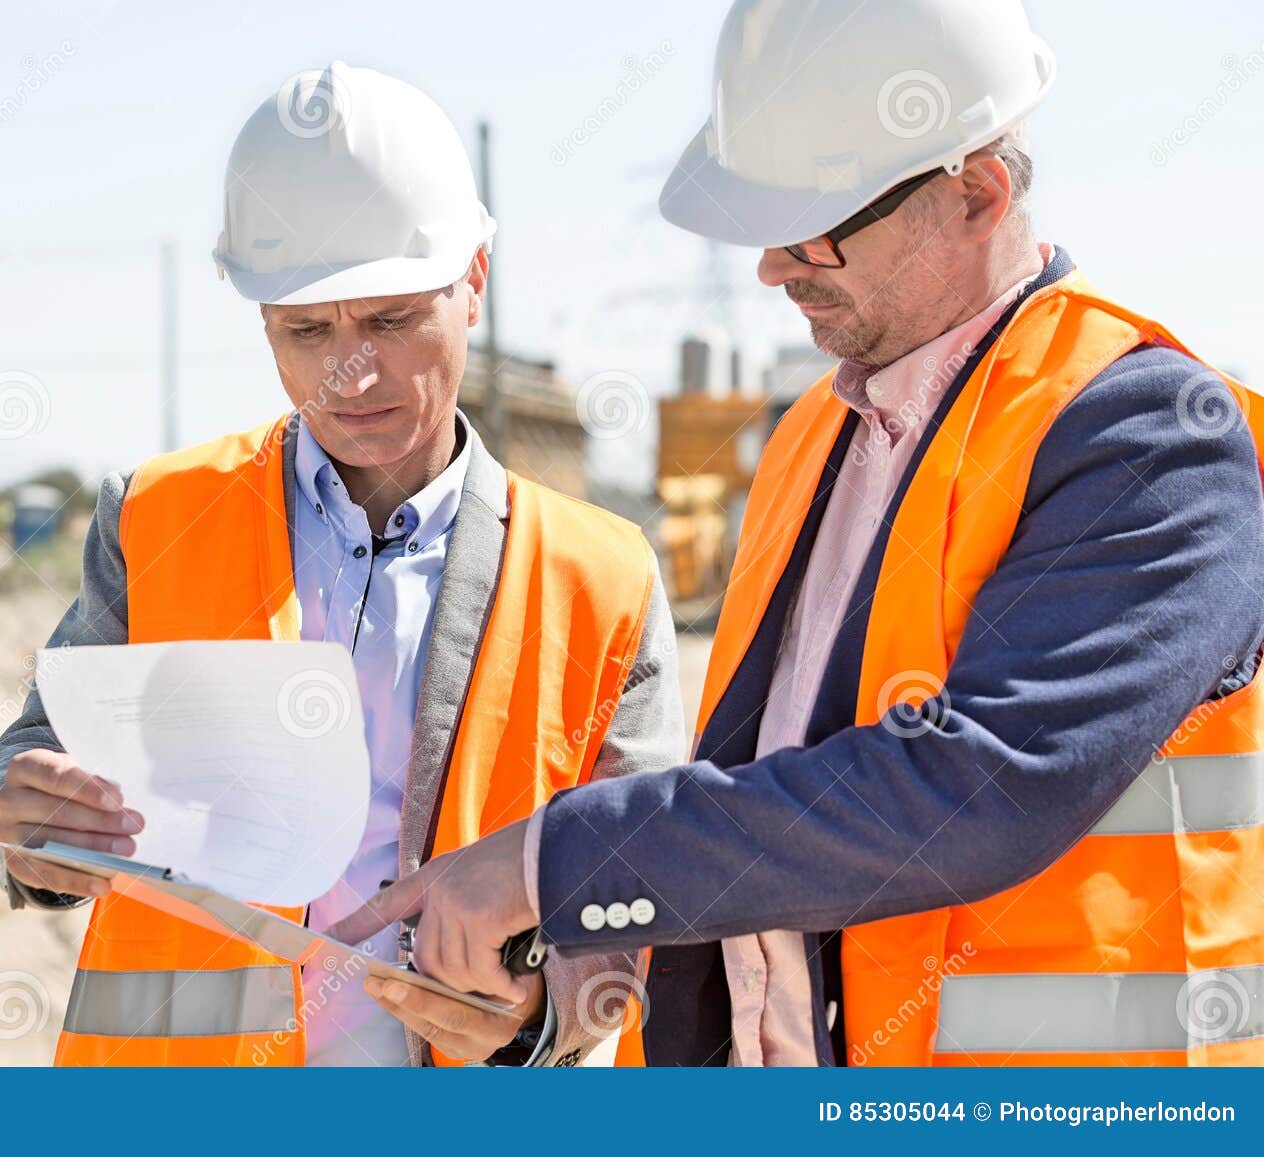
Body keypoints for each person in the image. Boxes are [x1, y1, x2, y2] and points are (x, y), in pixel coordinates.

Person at [334, 1, 1264, 1066]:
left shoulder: (1144, 437)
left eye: (814, 227)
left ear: (977, 194)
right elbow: (769, 821)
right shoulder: (812, 438)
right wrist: (553, 979)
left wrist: (558, 859)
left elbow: (975, 786)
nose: (774, 269)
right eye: (764, 230)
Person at [0, 61, 682, 1068]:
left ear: (472, 280)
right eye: (306, 331)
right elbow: (35, 751)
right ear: (260, 316)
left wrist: (537, 1013)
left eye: (390, 320)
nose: (349, 370)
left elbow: (646, 880)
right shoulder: (158, 515)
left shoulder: (603, 576)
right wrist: (14, 808)